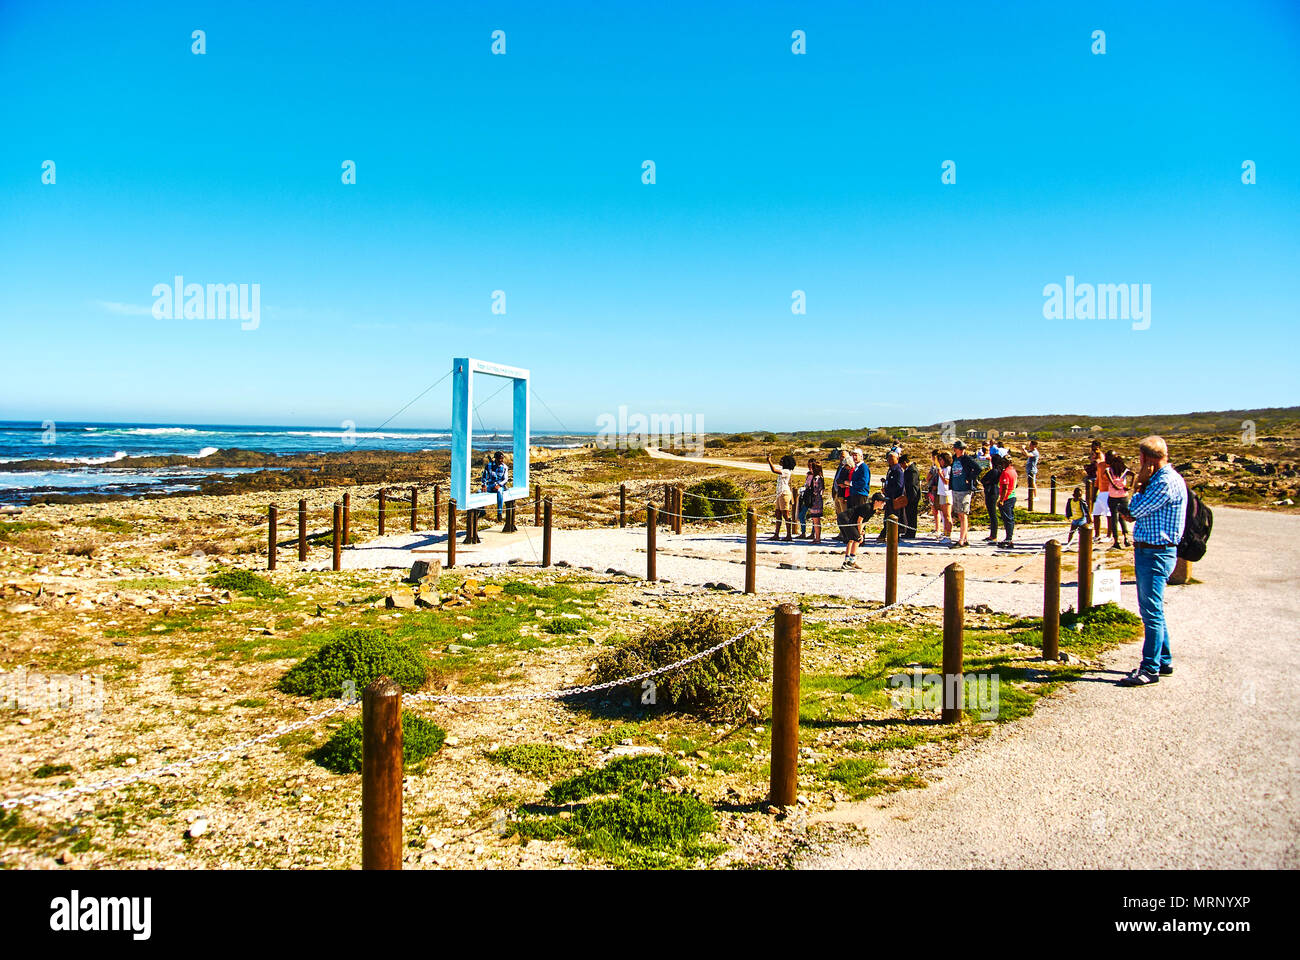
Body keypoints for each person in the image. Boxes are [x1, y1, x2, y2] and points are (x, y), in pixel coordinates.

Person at [1116, 436, 1188, 687]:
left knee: (1151, 612)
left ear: (1146, 459)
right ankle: (1164, 659)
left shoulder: (1163, 482)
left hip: (1156, 552)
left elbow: (1131, 512)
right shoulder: (1167, 479)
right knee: (1153, 608)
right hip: (1153, 550)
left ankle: (1149, 668)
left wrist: (1138, 486)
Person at [839, 492, 885, 569]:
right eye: (882, 502)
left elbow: (863, 522)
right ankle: (849, 562)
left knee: (852, 539)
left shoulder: (873, 510)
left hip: (850, 520)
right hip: (845, 518)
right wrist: (860, 534)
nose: (884, 503)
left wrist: (862, 531)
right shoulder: (867, 507)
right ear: (876, 501)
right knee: (856, 539)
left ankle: (849, 561)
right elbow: (859, 521)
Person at [947, 440, 980, 548]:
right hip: (956, 488)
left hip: (964, 489)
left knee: (963, 514)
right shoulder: (954, 458)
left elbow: (978, 468)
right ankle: (965, 539)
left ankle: (961, 540)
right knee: (959, 514)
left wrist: (969, 478)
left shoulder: (966, 459)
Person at [766, 453, 796, 542]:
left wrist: (769, 461)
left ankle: (788, 535)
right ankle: (776, 534)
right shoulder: (784, 470)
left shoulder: (786, 471)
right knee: (778, 514)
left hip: (784, 494)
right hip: (780, 494)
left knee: (785, 515)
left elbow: (774, 470)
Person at [1106, 453, 1133, 548]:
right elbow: (1133, 474)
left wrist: (1115, 486)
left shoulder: (1109, 470)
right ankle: (1126, 538)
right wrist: (1129, 486)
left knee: (1114, 518)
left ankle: (1116, 541)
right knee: (1123, 517)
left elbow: (1111, 481)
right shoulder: (1124, 470)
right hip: (1123, 495)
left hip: (1113, 496)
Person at [879, 451, 905, 542]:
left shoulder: (898, 470)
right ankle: (886, 534)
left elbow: (899, 485)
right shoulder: (891, 469)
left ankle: (894, 535)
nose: (889, 460)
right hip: (889, 497)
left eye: (891, 458)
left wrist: (888, 490)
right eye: (888, 458)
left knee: (894, 516)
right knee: (887, 516)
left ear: (897, 459)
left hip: (894, 498)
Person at [849, 448, 872, 542]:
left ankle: (861, 538)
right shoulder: (857, 467)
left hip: (860, 494)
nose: (854, 457)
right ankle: (856, 537)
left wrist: (850, 483)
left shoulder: (863, 467)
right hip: (855, 494)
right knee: (855, 517)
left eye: (856, 455)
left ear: (861, 456)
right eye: (853, 455)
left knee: (860, 517)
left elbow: (863, 482)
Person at [980, 453, 1004, 543]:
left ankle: (993, 535)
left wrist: (986, 482)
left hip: (991, 491)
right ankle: (993, 534)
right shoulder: (999, 470)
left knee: (992, 513)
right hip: (994, 490)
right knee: (992, 513)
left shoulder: (994, 471)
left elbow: (983, 479)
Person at [799, 459, 825, 542]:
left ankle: (817, 538)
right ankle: (816, 537)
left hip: (815, 500)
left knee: (816, 520)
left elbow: (815, 490)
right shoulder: (821, 477)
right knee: (816, 520)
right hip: (818, 500)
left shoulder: (816, 478)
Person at [1089, 439, 1109, 539]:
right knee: (1096, 513)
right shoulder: (1100, 466)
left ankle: (1109, 534)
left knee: (1108, 514)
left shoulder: (1105, 465)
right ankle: (1097, 534)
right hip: (1100, 488)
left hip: (1107, 490)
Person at [997, 453, 1018, 547]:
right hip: (1012, 496)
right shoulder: (1013, 471)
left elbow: (1005, 487)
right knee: (1010, 518)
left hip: (1007, 497)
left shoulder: (1006, 472)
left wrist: (1001, 499)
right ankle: (1009, 537)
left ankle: (1009, 538)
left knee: (1008, 519)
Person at [831, 451, 854, 541]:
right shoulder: (840, 467)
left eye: (843, 456)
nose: (841, 458)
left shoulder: (848, 468)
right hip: (837, 492)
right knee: (839, 514)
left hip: (844, 494)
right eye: (840, 456)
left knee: (844, 515)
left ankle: (846, 534)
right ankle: (841, 533)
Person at [480, 451, 509, 517]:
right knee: (480, 491)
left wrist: (499, 485)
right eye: (500, 458)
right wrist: (484, 484)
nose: (502, 460)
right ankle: (482, 511)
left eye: (502, 458)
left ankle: (499, 512)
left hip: (500, 485)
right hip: (490, 485)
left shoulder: (505, 467)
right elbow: (484, 475)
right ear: (496, 458)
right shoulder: (489, 465)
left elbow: (505, 479)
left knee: (499, 492)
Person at [901, 453, 922, 540]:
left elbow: (912, 484)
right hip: (910, 494)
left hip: (913, 495)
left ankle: (911, 532)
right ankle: (909, 531)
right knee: (909, 514)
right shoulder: (909, 469)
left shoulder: (912, 470)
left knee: (912, 515)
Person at [935, 451, 954, 542]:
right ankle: (945, 532)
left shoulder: (948, 469)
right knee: (943, 514)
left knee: (947, 515)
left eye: (941, 459)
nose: (940, 461)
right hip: (941, 493)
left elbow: (946, 481)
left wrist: (940, 474)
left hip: (946, 493)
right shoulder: (944, 469)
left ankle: (948, 535)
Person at [926, 450, 942, 535]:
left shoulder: (935, 467)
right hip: (938, 489)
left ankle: (937, 529)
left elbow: (928, 477)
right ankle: (938, 528)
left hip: (933, 490)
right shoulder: (942, 466)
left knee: (935, 510)